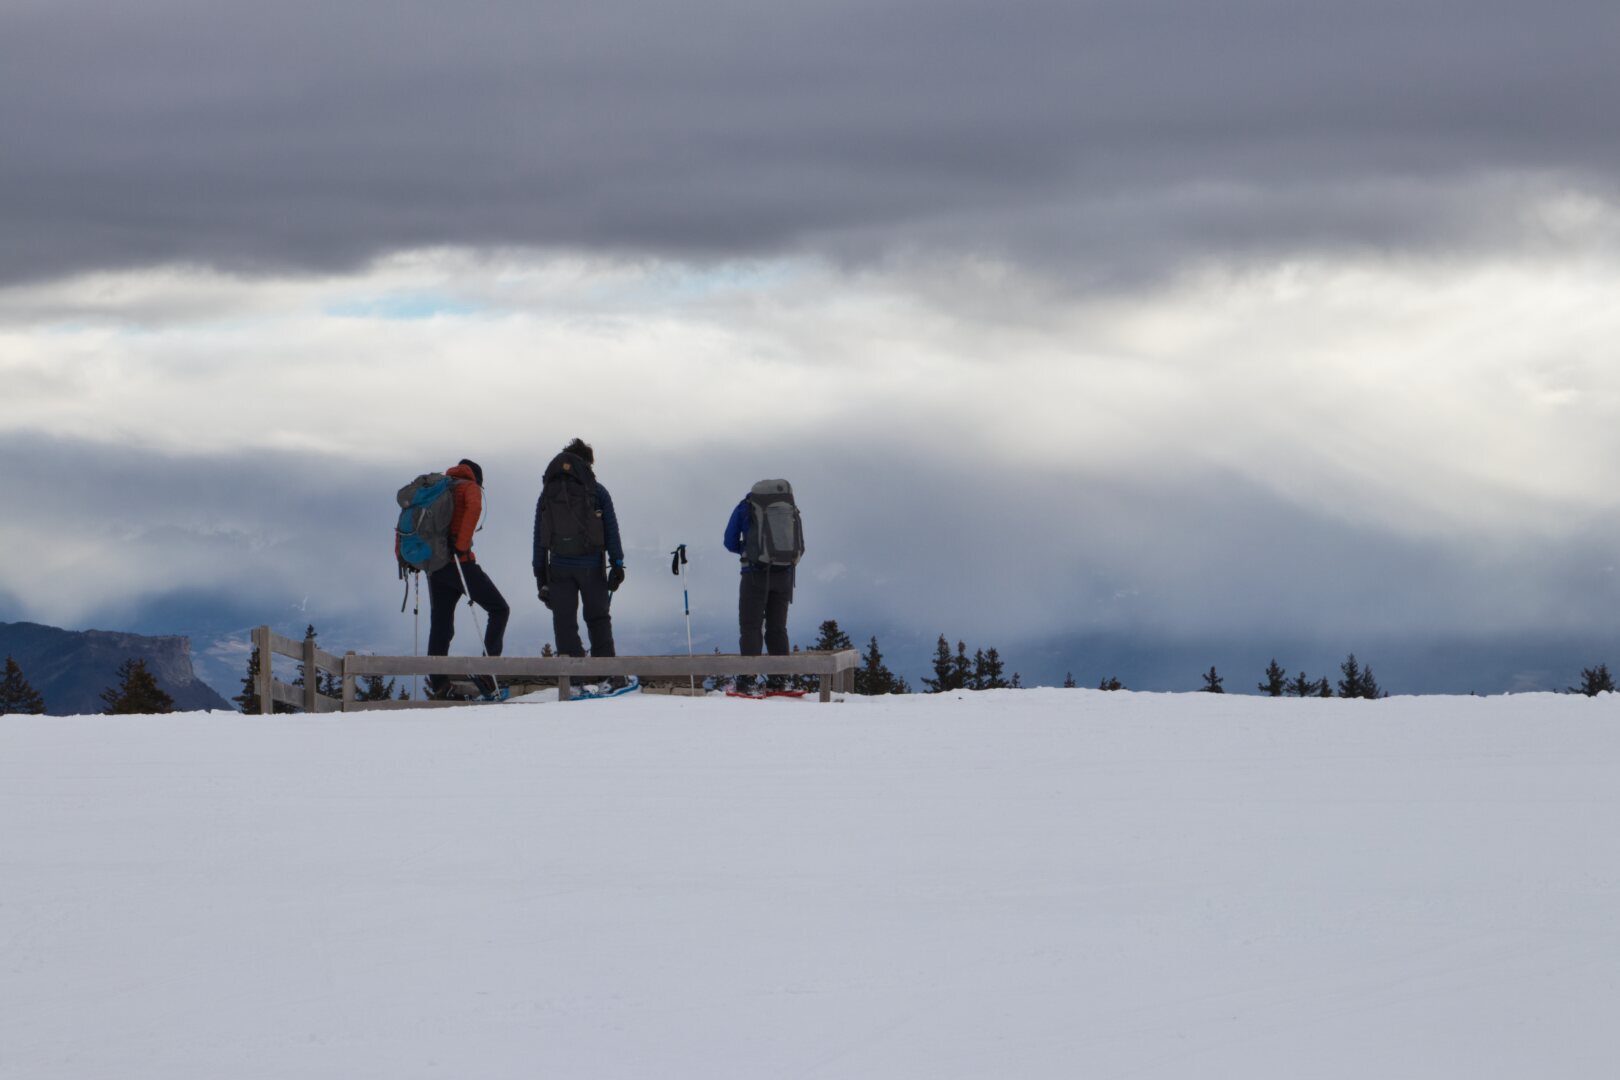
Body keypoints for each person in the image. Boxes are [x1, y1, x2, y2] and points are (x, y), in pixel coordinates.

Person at [532, 438, 626, 685]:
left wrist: (540, 576)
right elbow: (611, 530)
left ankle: (573, 680)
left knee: (564, 623)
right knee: (597, 619)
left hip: (559, 568)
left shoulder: (547, 494)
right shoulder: (597, 491)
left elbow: (539, 537)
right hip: (591, 566)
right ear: (587, 462)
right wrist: (617, 564)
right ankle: (607, 676)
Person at [427, 459, 509, 697]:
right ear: (478, 477)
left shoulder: (441, 486)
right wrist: (462, 546)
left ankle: (440, 684)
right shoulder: (469, 487)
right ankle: (487, 671)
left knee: (441, 624)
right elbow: (474, 508)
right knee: (499, 609)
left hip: (436, 566)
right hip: (459, 563)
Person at [723, 479, 803, 693]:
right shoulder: (788, 508)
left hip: (754, 575)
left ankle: (748, 680)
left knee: (751, 626)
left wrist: (747, 548)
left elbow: (729, 541)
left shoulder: (745, 506)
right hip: (784, 574)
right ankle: (781, 679)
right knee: (778, 628)